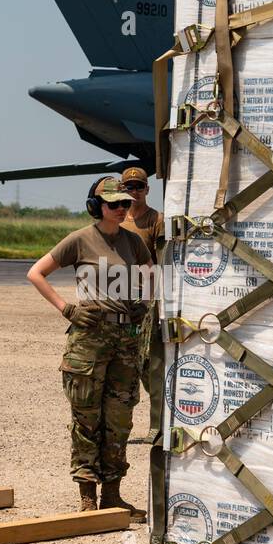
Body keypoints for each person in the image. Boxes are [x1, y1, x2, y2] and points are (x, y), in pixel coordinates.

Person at [27, 177, 151, 518]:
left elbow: (150, 277)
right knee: (86, 417)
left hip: (125, 341)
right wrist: (66, 308)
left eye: (126, 203)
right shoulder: (80, 240)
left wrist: (144, 302)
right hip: (90, 338)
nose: (122, 209)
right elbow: (36, 273)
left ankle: (113, 494)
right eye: (114, 204)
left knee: (119, 418)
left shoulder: (133, 242)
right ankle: (87, 496)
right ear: (97, 206)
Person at [117, 167, 165, 428]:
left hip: (147, 301)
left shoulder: (157, 220)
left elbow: (162, 263)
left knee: (150, 365)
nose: (134, 191)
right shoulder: (117, 219)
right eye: (129, 187)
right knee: (123, 363)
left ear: (147, 189)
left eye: (139, 186)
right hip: (119, 298)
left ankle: (156, 426)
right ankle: (120, 425)